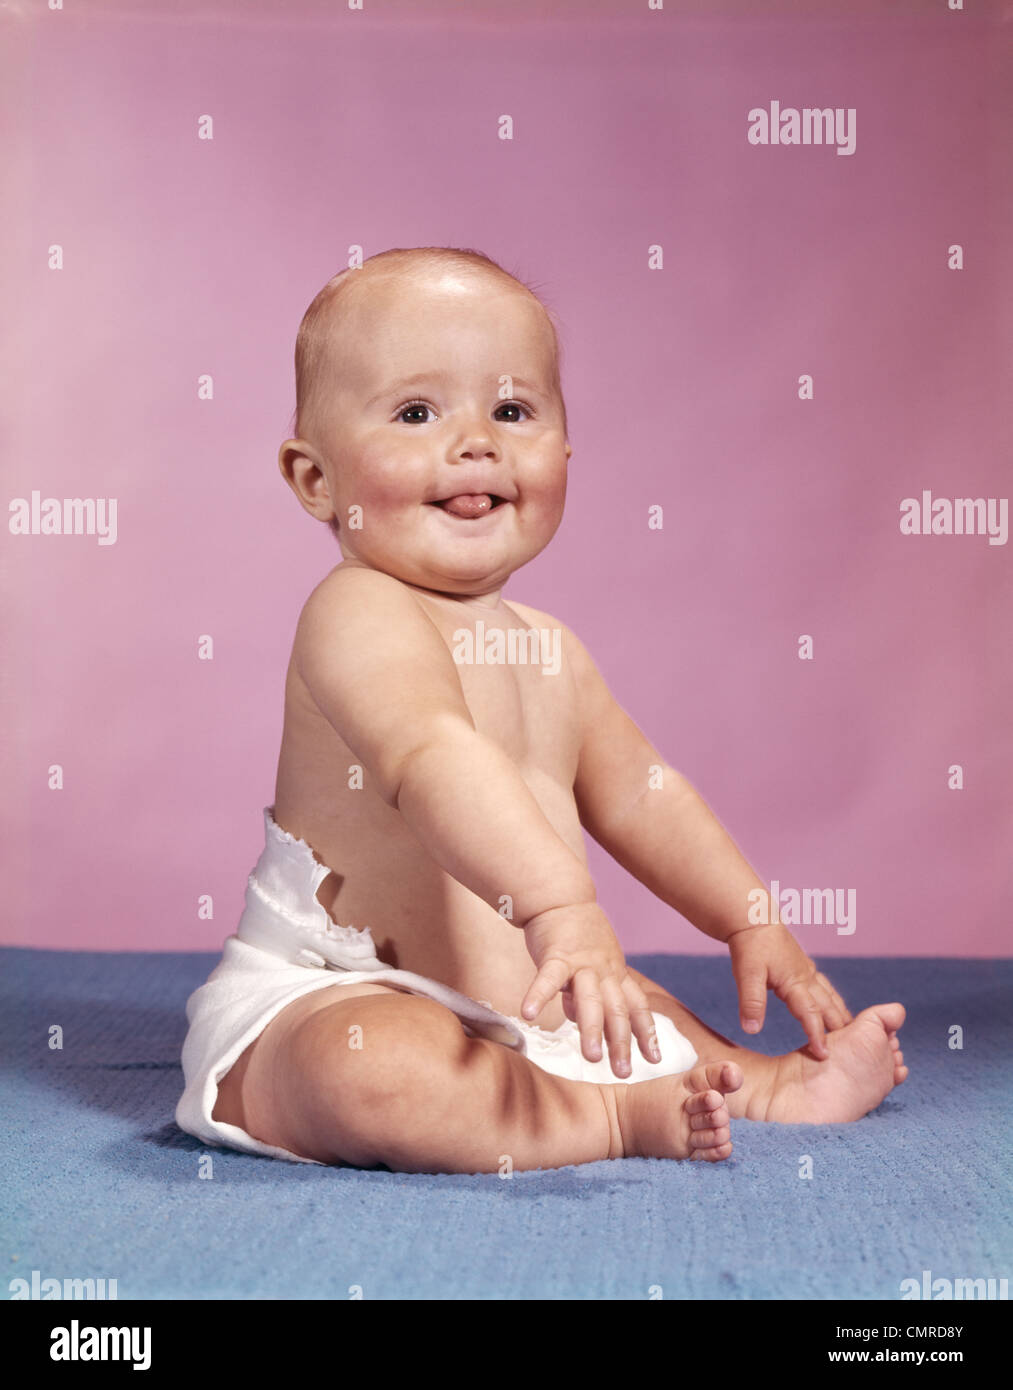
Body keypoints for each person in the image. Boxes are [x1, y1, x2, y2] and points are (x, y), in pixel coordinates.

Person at [176, 246, 907, 1173]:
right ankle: (613, 1121)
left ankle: (760, 1084)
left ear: (563, 452)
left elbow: (643, 795)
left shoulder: (552, 648)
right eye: (415, 411)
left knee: (625, 1003)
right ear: (315, 480)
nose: (476, 441)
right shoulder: (354, 611)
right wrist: (559, 903)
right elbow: (429, 752)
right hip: (339, 988)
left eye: (512, 410)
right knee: (370, 1078)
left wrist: (744, 915)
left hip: (527, 1000)